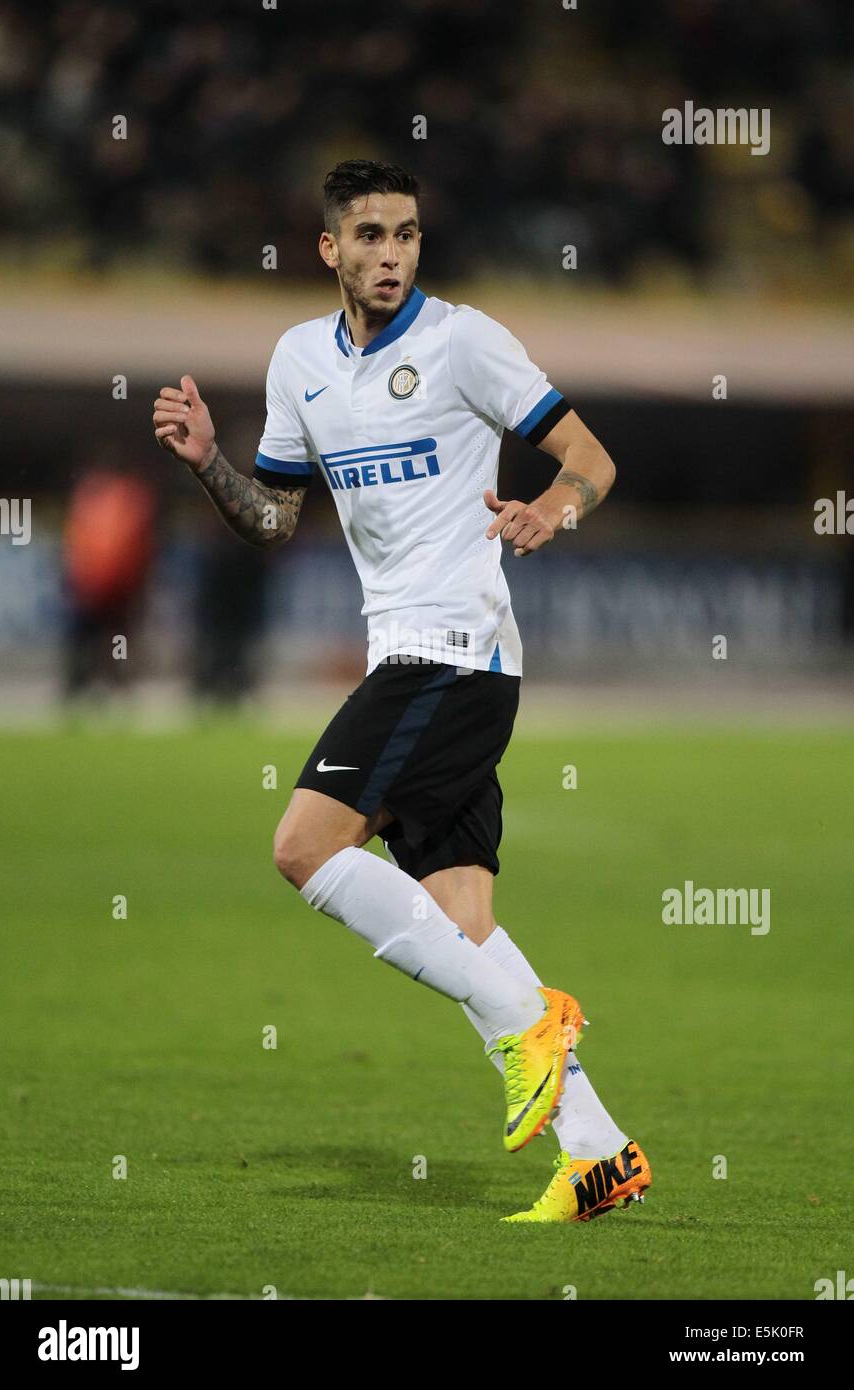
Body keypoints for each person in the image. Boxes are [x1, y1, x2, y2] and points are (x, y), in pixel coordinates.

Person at [153, 159, 650, 1222]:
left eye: (407, 234)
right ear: (327, 248)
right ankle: (598, 1152)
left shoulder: (463, 340)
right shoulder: (299, 361)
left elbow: (591, 461)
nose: (391, 254)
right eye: (369, 235)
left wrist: (545, 514)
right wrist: (207, 463)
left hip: (456, 653)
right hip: (412, 657)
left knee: (301, 846)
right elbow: (275, 521)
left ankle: (529, 1026)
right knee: (459, 918)